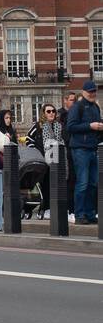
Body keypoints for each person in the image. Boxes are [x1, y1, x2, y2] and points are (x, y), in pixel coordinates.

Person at [65, 80, 102, 225]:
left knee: (93, 183)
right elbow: (71, 127)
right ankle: (79, 214)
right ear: (84, 92)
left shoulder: (95, 107)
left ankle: (90, 213)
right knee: (83, 182)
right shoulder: (77, 107)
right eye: (91, 91)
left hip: (92, 148)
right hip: (80, 149)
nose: (93, 93)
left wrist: (98, 126)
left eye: (94, 91)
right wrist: (91, 126)